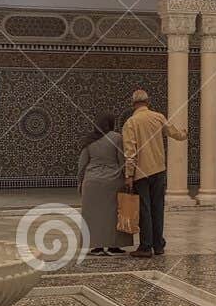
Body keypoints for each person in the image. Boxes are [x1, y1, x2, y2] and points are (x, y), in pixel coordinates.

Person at [122, 87, 186, 258]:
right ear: (148, 102)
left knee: (145, 209)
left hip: (141, 173)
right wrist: (184, 133)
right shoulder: (158, 117)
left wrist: (128, 175)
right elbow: (175, 133)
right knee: (157, 208)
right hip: (159, 170)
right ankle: (158, 245)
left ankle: (145, 246)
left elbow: (130, 152)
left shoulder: (130, 123)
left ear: (133, 104)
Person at [77, 113, 131, 255]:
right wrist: (127, 178)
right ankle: (114, 246)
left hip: (92, 182)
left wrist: (80, 181)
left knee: (93, 215)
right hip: (113, 180)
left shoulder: (89, 140)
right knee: (113, 215)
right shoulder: (117, 138)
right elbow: (121, 160)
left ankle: (97, 247)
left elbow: (82, 164)